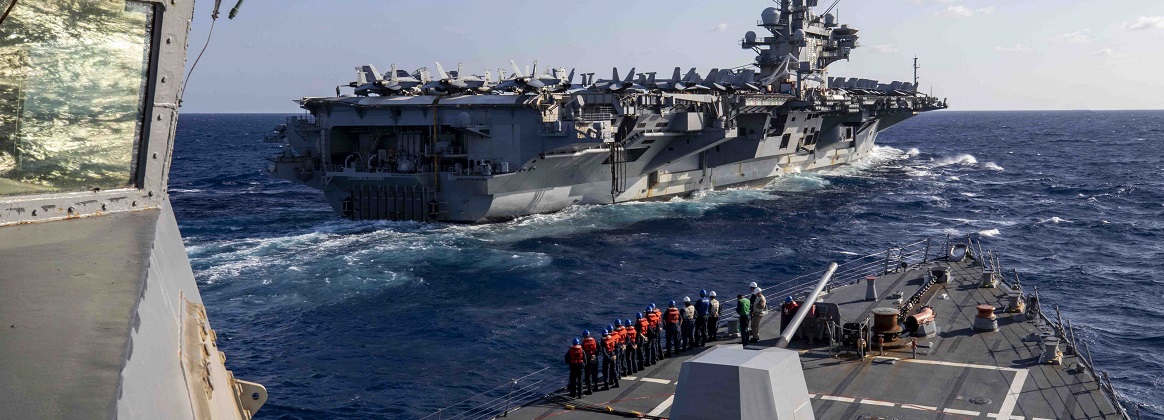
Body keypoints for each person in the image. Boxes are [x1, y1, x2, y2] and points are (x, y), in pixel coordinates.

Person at [580, 330, 598, 394]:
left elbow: (582, 353)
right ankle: (596, 386)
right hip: (595, 359)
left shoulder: (583, 343)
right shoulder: (594, 341)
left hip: (588, 360)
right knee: (595, 373)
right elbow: (599, 348)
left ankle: (589, 389)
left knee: (588, 374)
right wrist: (595, 355)